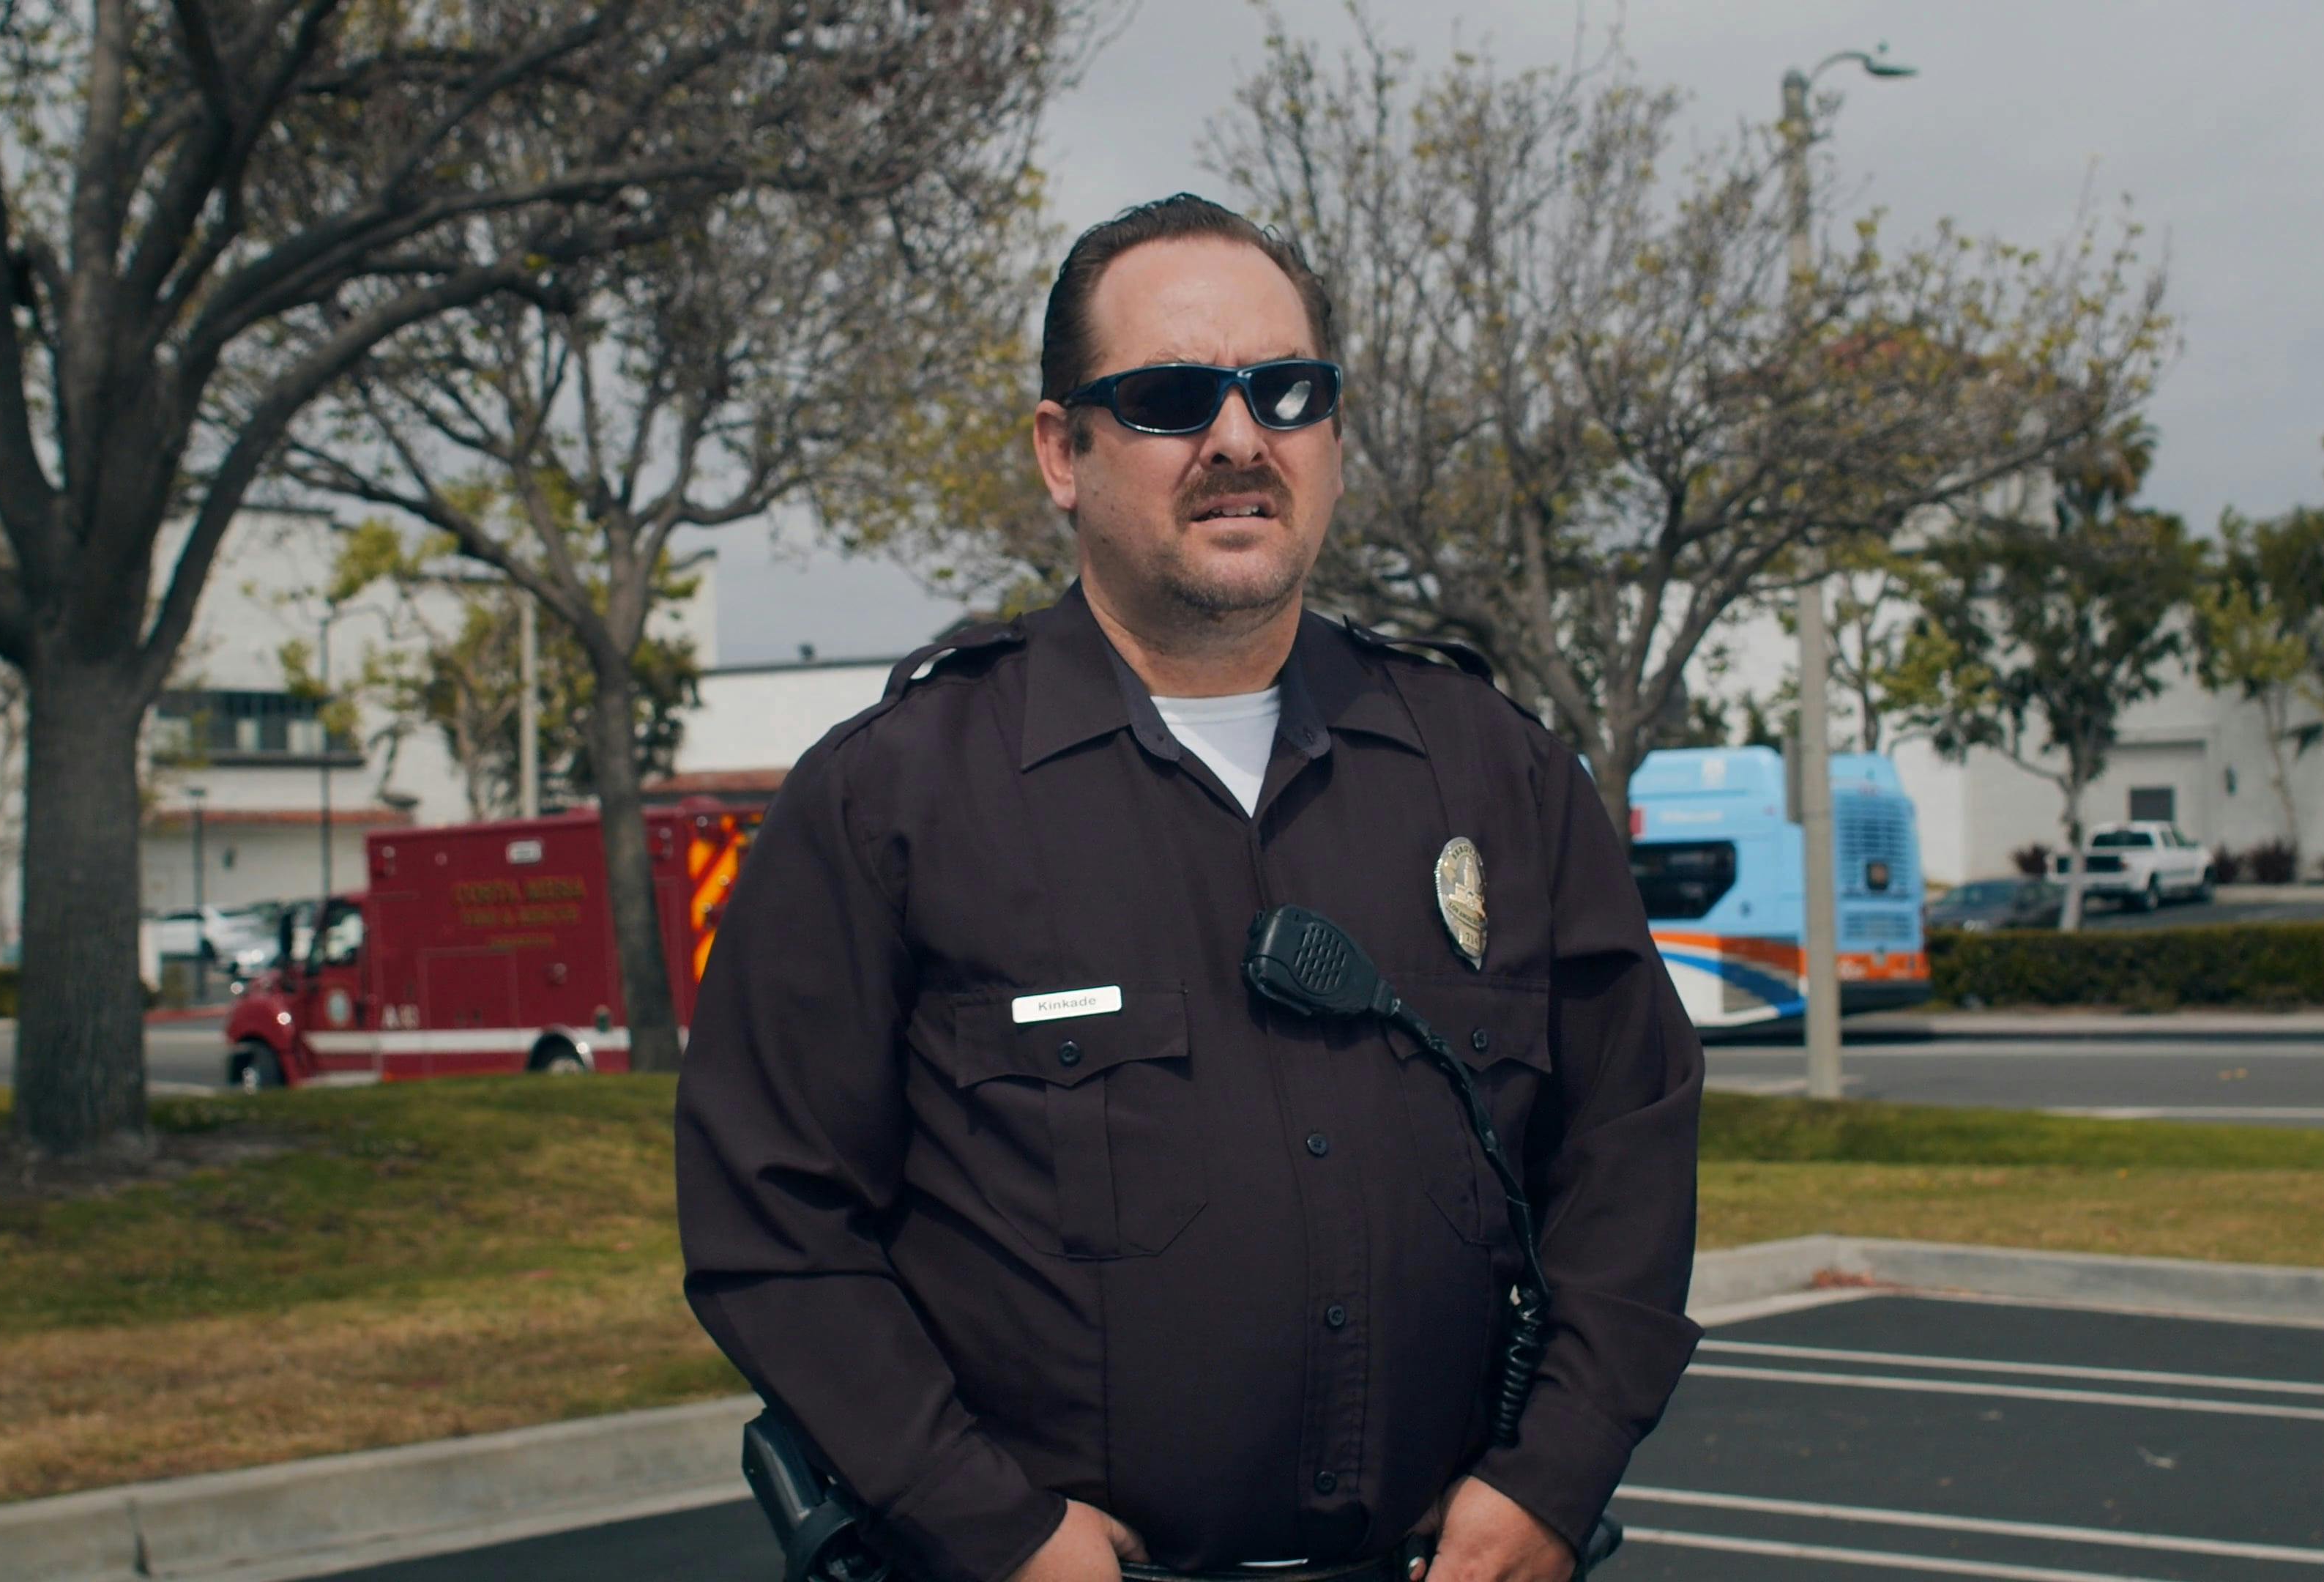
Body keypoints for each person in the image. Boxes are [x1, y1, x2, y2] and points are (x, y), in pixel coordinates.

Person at [677, 193, 1702, 1582]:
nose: (1239, 440)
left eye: (1287, 391)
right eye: (1169, 398)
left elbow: (1631, 1140)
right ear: (1063, 450)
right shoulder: (892, 801)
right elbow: (772, 1224)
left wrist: (1556, 1476)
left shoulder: (1497, 776)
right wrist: (992, 1529)